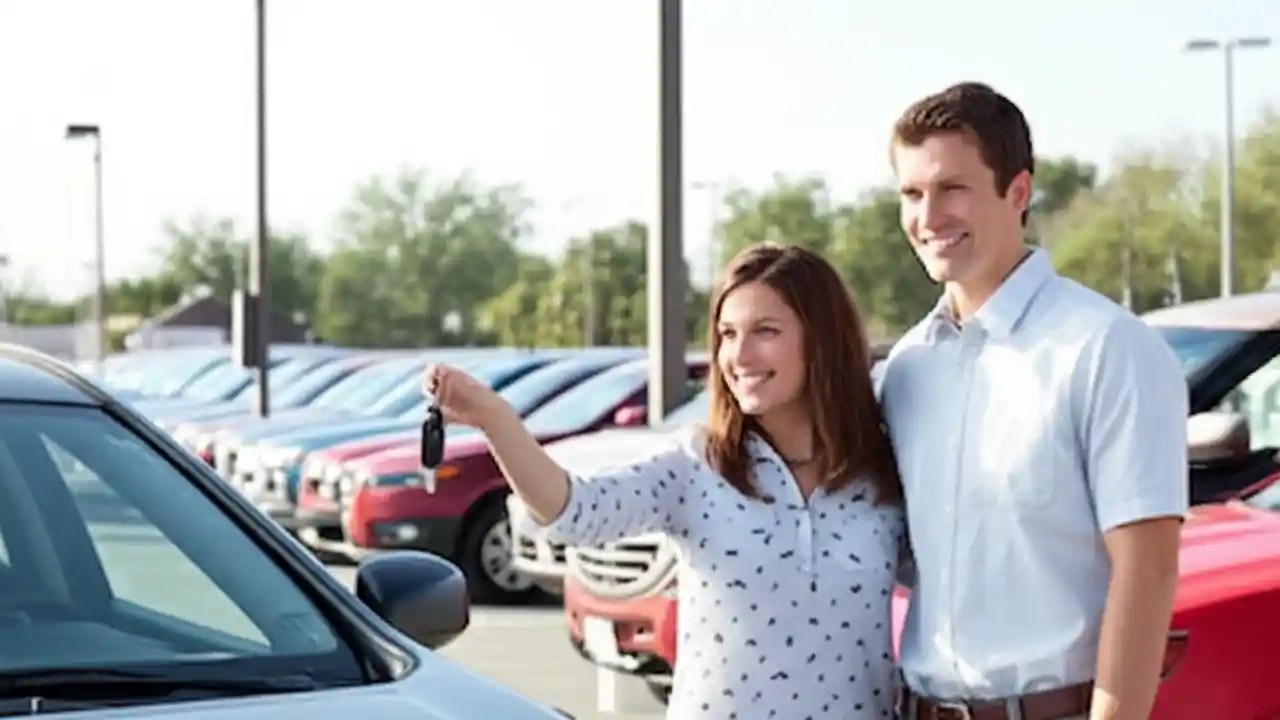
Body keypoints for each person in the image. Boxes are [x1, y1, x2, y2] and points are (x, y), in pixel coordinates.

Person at [424, 244, 904, 719]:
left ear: (822, 340)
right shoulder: (696, 464)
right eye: (727, 333)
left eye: (765, 331)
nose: (738, 354)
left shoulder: (882, 468)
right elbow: (573, 513)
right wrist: (492, 417)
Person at [878, 81, 1188, 720]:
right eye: (912, 193)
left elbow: (1149, 570)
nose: (928, 216)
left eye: (952, 188)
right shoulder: (907, 369)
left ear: (1017, 192)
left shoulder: (1106, 348)